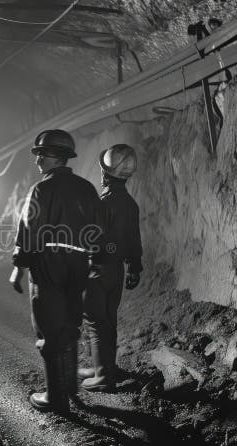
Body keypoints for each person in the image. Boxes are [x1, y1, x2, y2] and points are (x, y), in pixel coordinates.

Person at [9, 129, 102, 413]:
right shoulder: (86, 188)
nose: (37, 160)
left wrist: (19, 267)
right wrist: (93, 259)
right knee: (70, 324)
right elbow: (99, 229)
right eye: (38, 154)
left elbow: (29, 230)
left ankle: (56, 398)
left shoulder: (41, 189)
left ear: (57, 157)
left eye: (42, 154)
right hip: (79, 262)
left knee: (49, 327)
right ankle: (70, 386)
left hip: (48, 261)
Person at [79, 143, 143, 392]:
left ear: (105, 173)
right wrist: (134, 267)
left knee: (95, 321)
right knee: (108, 319)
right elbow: (134, 240)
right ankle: (104, 367)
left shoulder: (102, 203)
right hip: (116, 271)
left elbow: (90, 240)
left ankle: (103, 377)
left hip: (97, 270)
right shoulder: (130, 204)